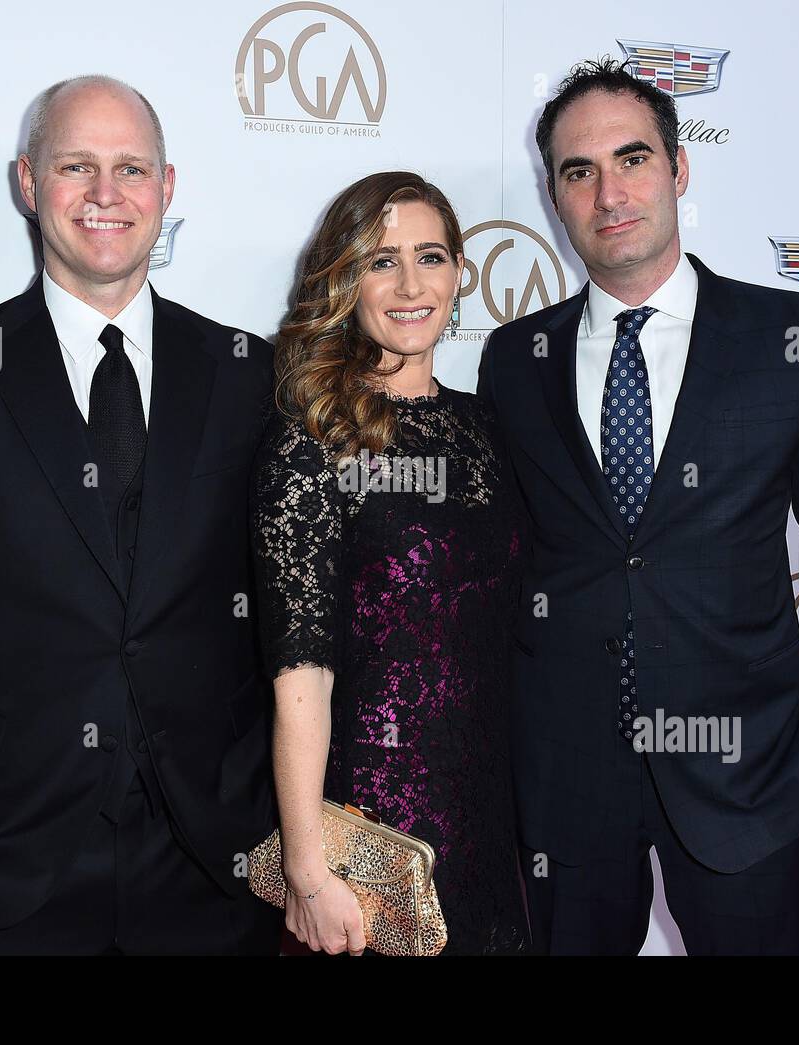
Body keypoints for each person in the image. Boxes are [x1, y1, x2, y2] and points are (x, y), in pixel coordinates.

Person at [0, 74, 283, 954]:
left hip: (212, 858)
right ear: (29, 184)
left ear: (167, 188)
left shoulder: (248, 374)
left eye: (131, 168)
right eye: (77, 166)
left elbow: (287, 613)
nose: (107, 194)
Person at [479, 57, 799, 955]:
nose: (610, 192)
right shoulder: (514, 359)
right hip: (565, 777)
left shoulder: (791, 334)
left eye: (633, 159)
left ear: (679, 168)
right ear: (554, 196)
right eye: (579, 172)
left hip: (754, 774)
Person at [251, 172, 531, 955]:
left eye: (431, 257)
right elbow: (299, 674)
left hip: (491, 814)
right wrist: (308, 868)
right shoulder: (312, 438)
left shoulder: (484, 424)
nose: (411, 284)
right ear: (345, 278)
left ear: (458, 272)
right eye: (381, 261)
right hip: (375, 831)